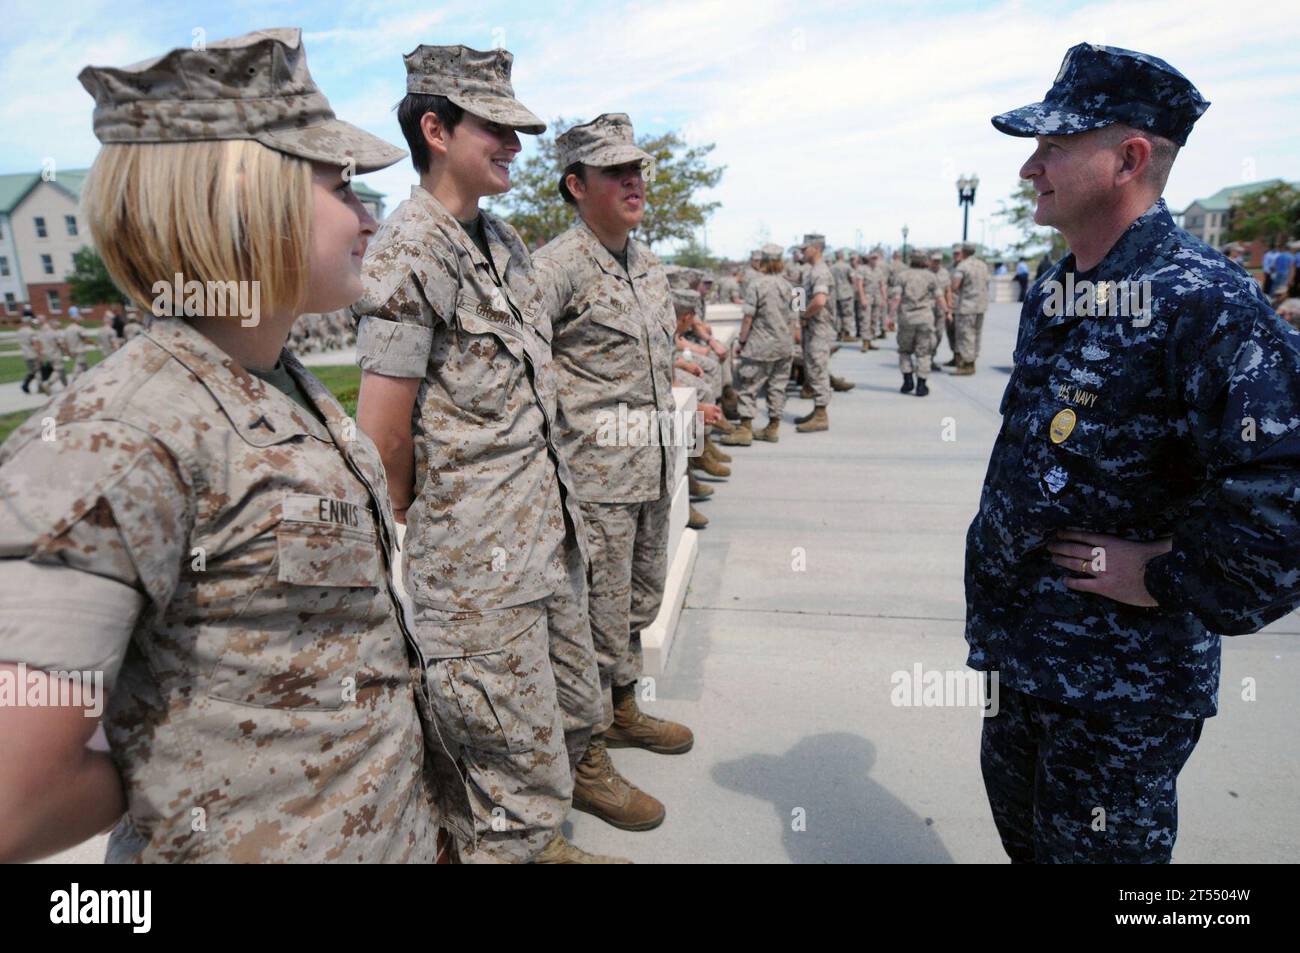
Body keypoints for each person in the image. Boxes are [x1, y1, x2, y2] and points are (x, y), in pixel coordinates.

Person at [0, 27, 471, 864]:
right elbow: (17, 800)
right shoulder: (114, 439)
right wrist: (193, 767)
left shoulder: (283, 383)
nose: (368, 217)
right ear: (245, 200)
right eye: (342, 189)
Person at [970, 42, 1300, 863]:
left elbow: (1283, 495)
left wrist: (1163, 574)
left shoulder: (1204, 299)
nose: (1029, 170)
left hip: (1120, 691)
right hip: (1027, 658)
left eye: (1053, 147)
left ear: (1130, 158)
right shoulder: (1059, 287)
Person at [352, 44, 616, 864]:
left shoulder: (498, 238)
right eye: (494, 127)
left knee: (567, 705)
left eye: (517, 127)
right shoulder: (407, 250)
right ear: (435, 128)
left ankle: (547, 826)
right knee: (504, 752)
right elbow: (383, 433)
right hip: (477, 566)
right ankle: (520, 849)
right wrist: (419, 521)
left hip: (544, 532)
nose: (515, 144)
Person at [532, 112, 696, 831]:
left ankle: (623, 710)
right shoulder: (554, 268)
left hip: (651, 472)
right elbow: (520, 372)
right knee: (590, 628)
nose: (635, 182)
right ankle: (585, 758)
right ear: (576, 185)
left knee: (634, 607)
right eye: (615, 172)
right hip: (594, 485)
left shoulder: (645, 261)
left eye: (638, 170)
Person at [721, 243, 796, 445]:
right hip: (784, 345)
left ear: (762, 260)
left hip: (759, 345)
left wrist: (742, 341)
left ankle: (745, 429)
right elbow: (795, 318)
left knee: (748, 385)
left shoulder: (756, 285)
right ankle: (773, 427)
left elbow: (748, 318)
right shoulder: (791, 286)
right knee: (777, 387)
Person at [893, 248, 942, 396]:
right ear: (925, 260)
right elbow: (940, 297)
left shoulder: (902, 276)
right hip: (925, 318)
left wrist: (889, 316)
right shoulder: (931, 277)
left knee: (905, 350)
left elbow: (896, 298)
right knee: (924, 352)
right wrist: (947, 311)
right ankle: (921, 384)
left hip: (907, 319)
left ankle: (907, 380)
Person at [949, 242, 990, 374]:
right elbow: (987, 282)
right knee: (976, 334)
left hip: (967, 306)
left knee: (966, 335)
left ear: (963, 251)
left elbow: (955, 285)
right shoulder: (982, 265)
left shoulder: (963, 266)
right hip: (981, 306)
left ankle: (967, 365)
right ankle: (972, 360)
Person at [16, 309, 39, 394]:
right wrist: (39, 354)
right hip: (32, 354)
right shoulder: (31, 332)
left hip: (25, 354)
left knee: (33, 370)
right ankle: (26, 384)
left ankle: (26, 384)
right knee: (37, 371)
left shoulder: (19, 331)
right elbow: (35, 344)